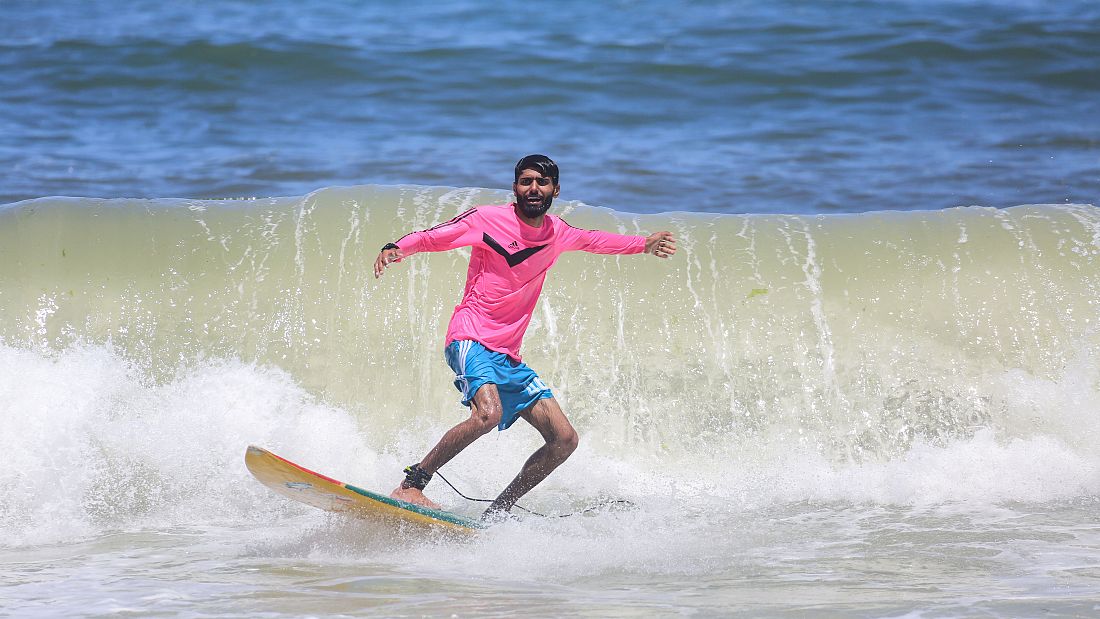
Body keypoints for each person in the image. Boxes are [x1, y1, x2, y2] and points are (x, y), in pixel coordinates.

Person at [373, 154, 676, 520]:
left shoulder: (557, 233)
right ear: (515, 187)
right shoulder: (487, 219)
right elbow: (438, 236)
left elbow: (594, 240)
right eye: (526, 181)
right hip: (470, 335)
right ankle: (412, 485)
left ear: (555, 190)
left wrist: (642, 244)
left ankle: (498, 512)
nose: (534, 188)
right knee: (488, 415)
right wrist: (397, 247)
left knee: (564, 439)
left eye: (542, 182)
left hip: (507, 354)